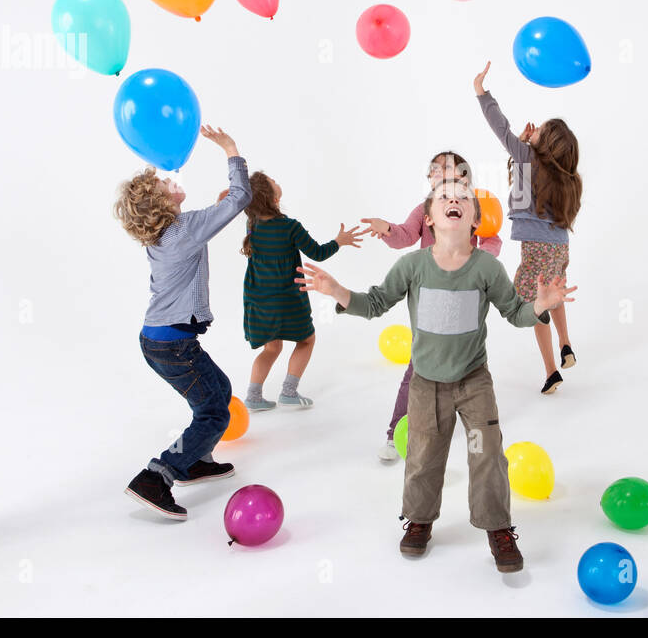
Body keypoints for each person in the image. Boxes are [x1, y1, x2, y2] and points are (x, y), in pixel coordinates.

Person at [298, 180, 574, 574]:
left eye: (463, 198)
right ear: (429, 217)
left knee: (487, 454)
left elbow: (515, 313)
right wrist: (338, 290)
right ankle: (420, 519)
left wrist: (539, 306)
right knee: (424, 458)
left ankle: (498, 526)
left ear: (475, 220)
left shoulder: (487, 268)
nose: (455, 200)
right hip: (426, 384)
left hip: (474, 382)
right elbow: (375, 302)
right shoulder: (412, 266)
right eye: (445, 197)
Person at [114, 125, 251, 520]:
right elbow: (242, 196)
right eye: (164, 183)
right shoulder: (186, 228)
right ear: (161, 203)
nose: (171, 178)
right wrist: (230, 148)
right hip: (173, 344)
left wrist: (216, 209)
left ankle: (195, 460)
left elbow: (200, 225)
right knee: (214, 412)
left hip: (158, 341)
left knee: (219, 390)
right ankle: (157, 477)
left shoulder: (163, 234)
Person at [360, 149, 501, 462]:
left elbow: (492, 239)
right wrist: (386, 229)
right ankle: (396, 431)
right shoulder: (426, 210)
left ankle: (474, 426)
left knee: (470, 365)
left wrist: (484, 260)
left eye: (450, 169)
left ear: (465, 177)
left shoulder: (472, 207)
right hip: (432, 298)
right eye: (435, 170)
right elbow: (405, 236)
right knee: (418, 367)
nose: (441, 173)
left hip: (466, 296)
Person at [474, 62, 582, 395]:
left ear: (546, 142)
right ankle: (565, 344)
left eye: (540, 129)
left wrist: (481, 92)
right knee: (555, 293)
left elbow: (499, 126)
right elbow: (523, 185)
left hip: (535, 249)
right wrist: (523, 150)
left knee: (537, 305)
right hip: (560, 247)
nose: (532, 129)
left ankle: (551, 371)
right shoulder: (566, 178)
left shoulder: (526, 157)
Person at [238, 169, 366, 412]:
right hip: (287, 299)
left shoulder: (251, 224)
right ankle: (289, 392)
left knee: (271, 347)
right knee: (307, 340)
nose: (276, 179)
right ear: (272, 198)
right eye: (272, 181)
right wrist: (339, 241)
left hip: (258, 299)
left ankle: (253, 396)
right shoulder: (290, 227)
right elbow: (317, 253)